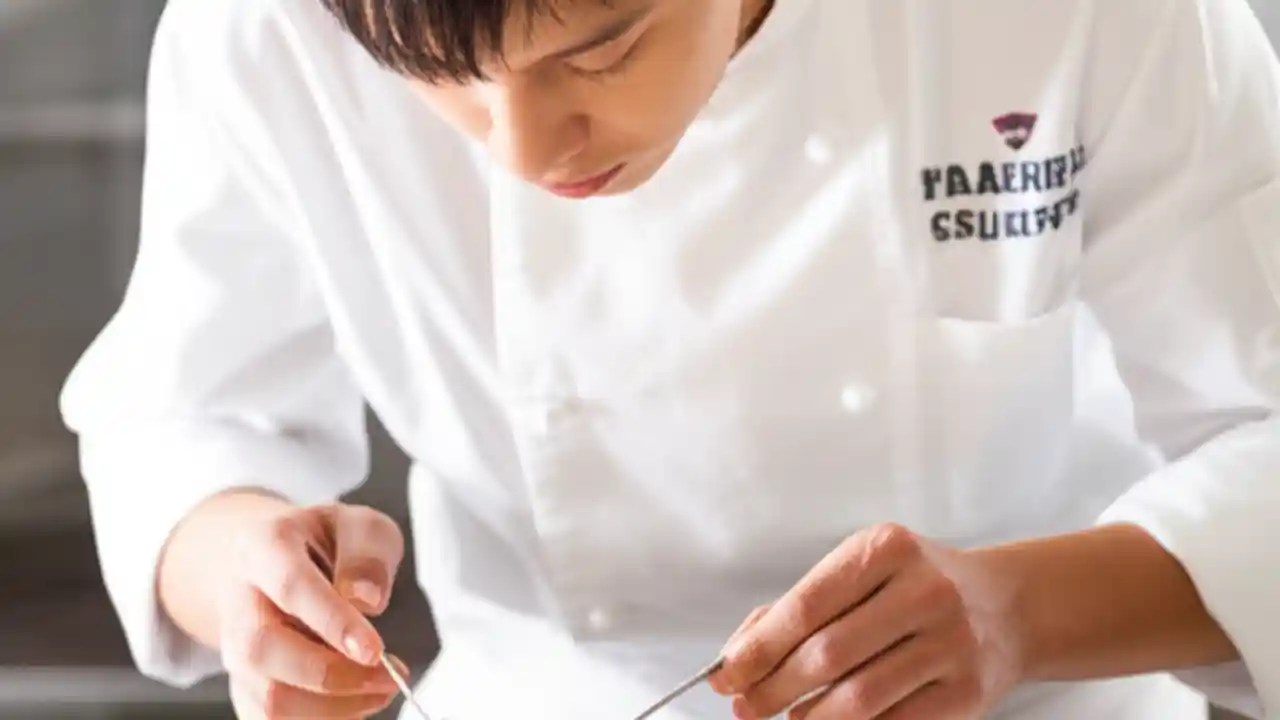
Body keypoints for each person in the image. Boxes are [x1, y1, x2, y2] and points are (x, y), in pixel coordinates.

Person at [60, 0, 1280, 717]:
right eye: (441, 84)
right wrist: (245, 576)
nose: (525, 153)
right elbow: (181, 415)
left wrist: (1013, 615)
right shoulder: (263, 26)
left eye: (597, 50)